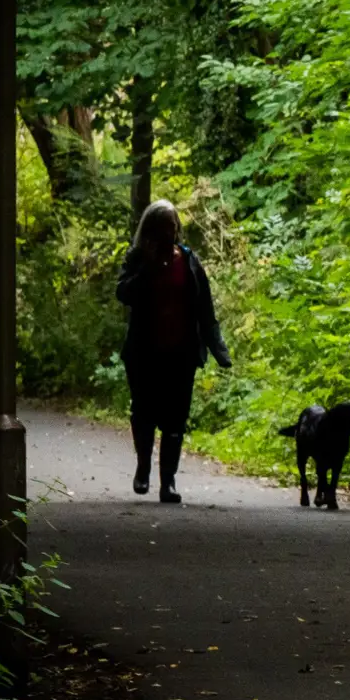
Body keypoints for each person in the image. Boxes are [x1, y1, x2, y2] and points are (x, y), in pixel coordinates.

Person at [116, 200, 233, 504]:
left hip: (181, 352)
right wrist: (148, 268)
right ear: (151, 230)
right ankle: (143, 467)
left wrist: (219, 349)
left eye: (173, 225)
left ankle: (168, 481)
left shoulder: (190, 260)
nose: (171, 231)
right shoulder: (137, 258)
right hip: (144, 352)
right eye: (164, 226)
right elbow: (123, 293)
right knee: (143, 412)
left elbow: (205, 308)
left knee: (175, 418)